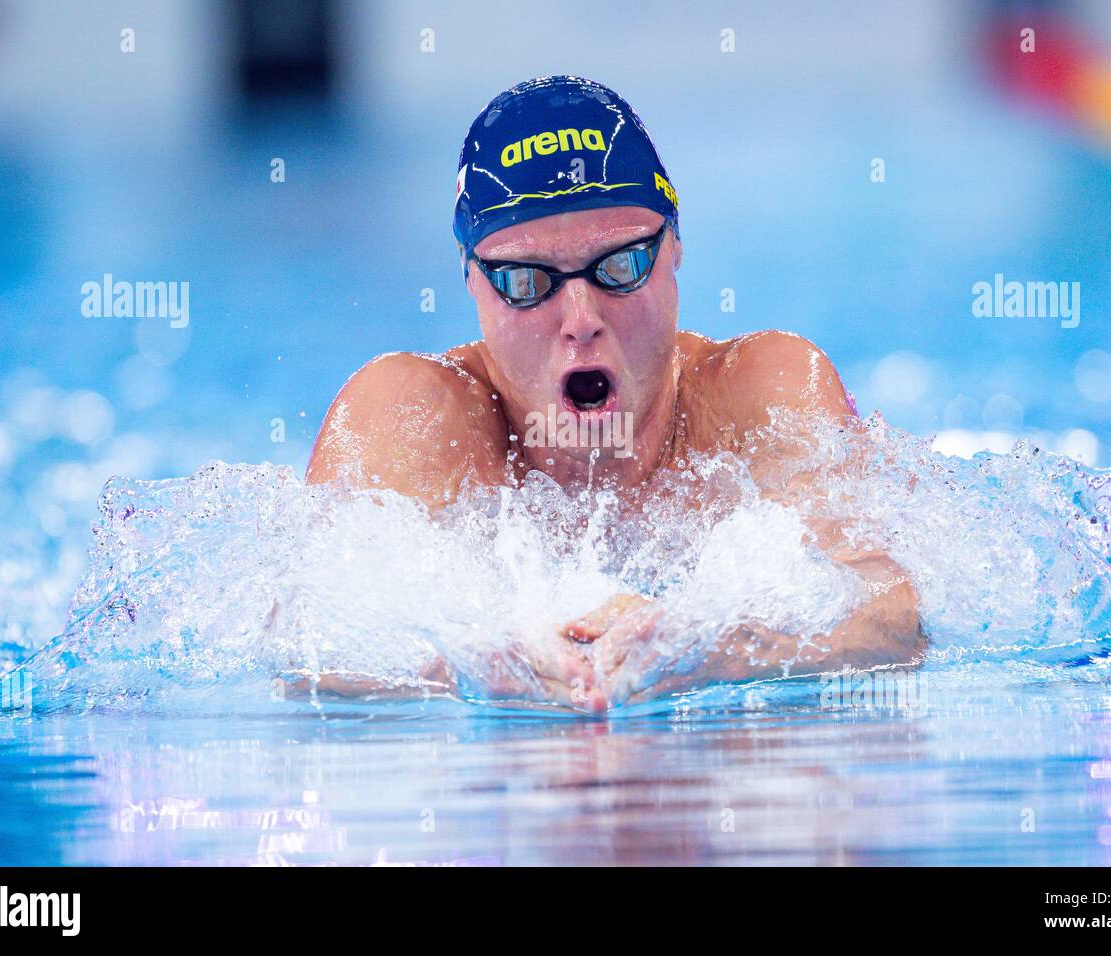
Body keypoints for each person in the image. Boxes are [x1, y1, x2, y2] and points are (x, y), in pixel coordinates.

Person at [306, 75, 924, 713]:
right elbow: (308, 652)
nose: (579, 317)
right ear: (471, 282)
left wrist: (726, 653)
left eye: (620, 266)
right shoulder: (410, 414)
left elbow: (893, 621)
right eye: (525, 280)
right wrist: (469, 668)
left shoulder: (762, 394)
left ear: (675, 248)